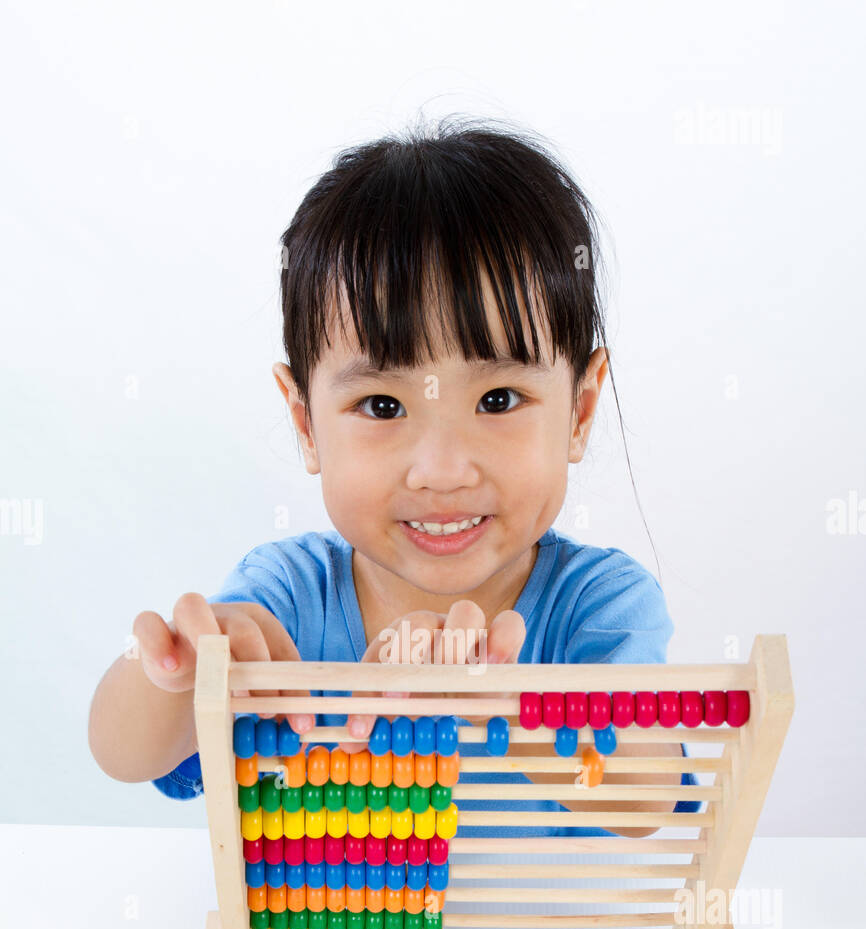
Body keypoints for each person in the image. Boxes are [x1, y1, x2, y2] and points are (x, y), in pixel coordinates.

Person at [88, 116, 701, 838]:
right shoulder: (285, 600)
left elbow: (645, 796)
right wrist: (178, 671)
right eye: (382, 404)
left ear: (580, 411)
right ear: (307, 423)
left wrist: (489, 697)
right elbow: (121, 752)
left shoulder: (598, 606)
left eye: (498, 400)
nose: (441, 470)